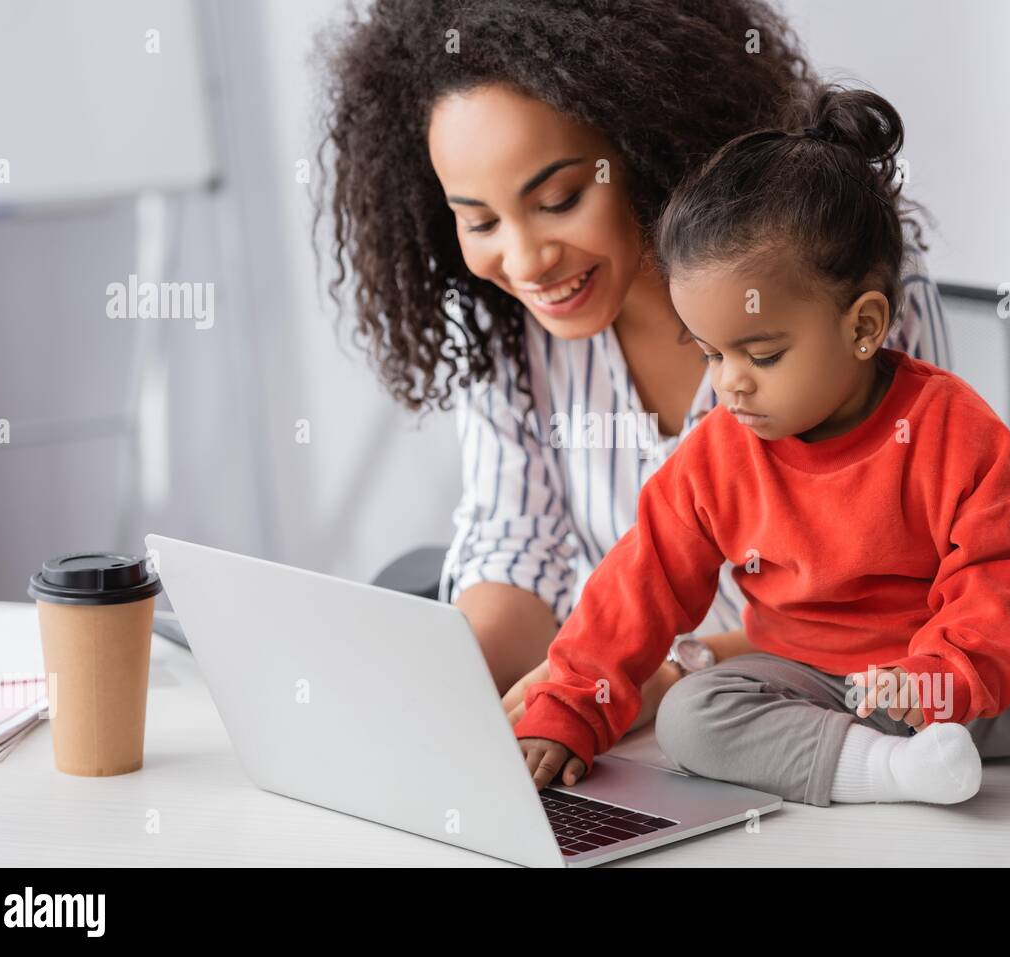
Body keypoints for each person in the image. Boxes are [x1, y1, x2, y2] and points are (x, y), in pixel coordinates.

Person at [511, 84, 1010, 869]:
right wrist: (566, 708)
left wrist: (942, 678)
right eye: (710, 353)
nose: (728, 383)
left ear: (865, 325)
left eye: (760, 354)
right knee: (692, 716)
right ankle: (891, 774)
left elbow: (1008, 569)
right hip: (812, 694)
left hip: (964, 688)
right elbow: (636, 587)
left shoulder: (950, 428)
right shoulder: (716, 455)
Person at [314, 0, 951, 719]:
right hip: (623, 736)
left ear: (647, 146)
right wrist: (447, 681)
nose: (525, 261)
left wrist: (667, 675)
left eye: (559, 199)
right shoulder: (506, 325)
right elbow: (517, 550)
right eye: (480, 221)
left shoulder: (839, 282)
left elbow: (898, 594)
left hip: (833, 730)